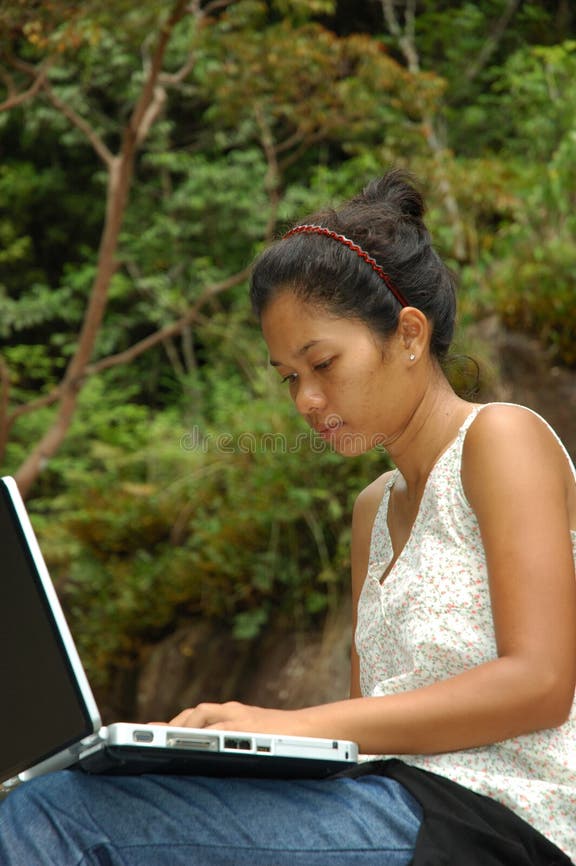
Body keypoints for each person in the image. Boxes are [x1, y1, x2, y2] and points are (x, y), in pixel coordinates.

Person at [1, 169, 575, 865]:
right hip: (388, 802)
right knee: (78, 790)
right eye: (289, 377)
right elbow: (376, 728)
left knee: (58, 818)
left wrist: (291, 721)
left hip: (499, 823)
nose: (305, 400)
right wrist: (241, 749)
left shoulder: (502, 440)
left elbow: (541, 683)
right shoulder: (374, 510)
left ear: (410, 336)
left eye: (322, 363)